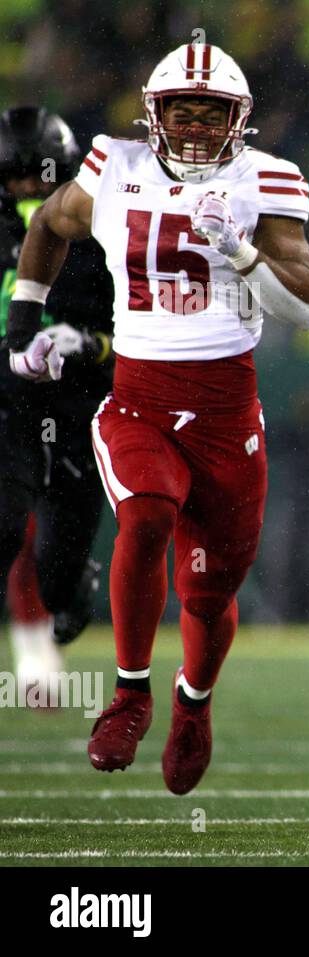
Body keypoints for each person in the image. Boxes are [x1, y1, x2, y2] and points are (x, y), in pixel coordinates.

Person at [7, 43, 309, 793]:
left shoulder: (265, 179)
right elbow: (51, 224)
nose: (193, 124)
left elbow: (307, 307)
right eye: (180, 108)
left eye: (210, 111)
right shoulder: (114, 166)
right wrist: (24, 317)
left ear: (236, 120)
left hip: (226, 413)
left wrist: (242, 255)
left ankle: (193, 703)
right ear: (154, 112)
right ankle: (129, 692)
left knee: (210, 589)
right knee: (146, 513)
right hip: (139, 400)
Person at [1, 106, 113, 701]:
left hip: (74, 410)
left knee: (56, 571)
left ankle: (72, 586)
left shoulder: (102, 238)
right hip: (8, 408)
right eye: (16, 179)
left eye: (41, 179)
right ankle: (29, 656)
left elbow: (142, 338)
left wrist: (90, 344)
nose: (30, 191)